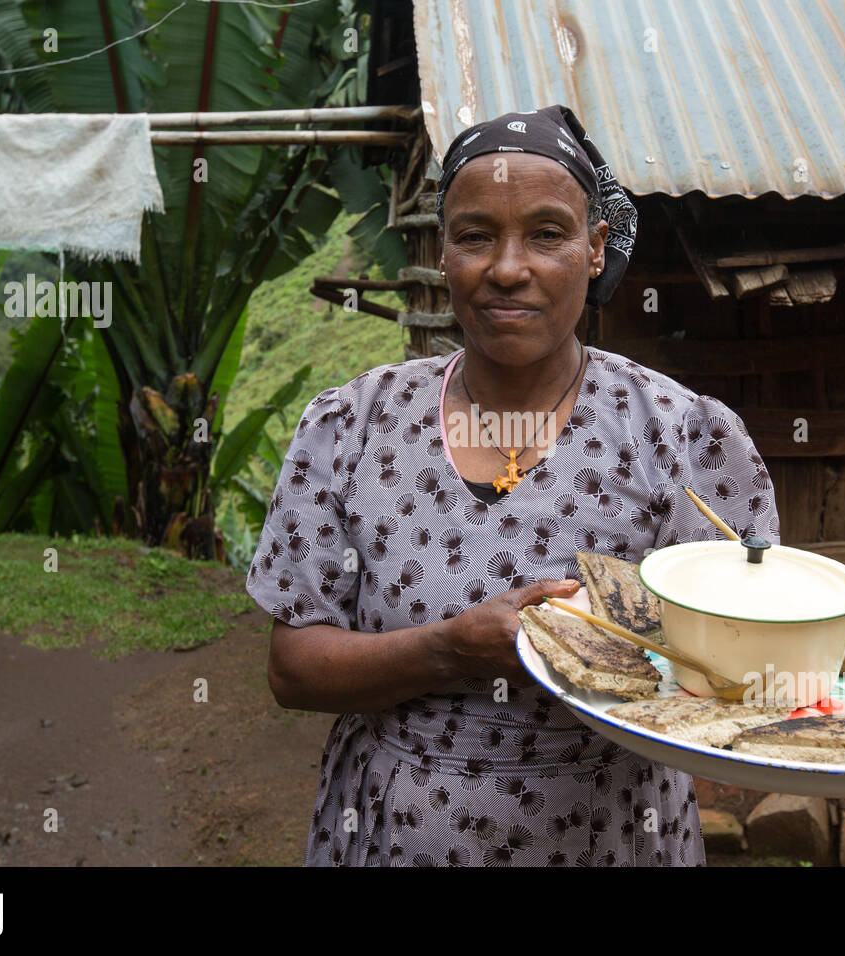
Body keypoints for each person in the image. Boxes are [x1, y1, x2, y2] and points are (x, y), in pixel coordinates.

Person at [246, 104, 780, 866]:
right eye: (475, 236)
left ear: (596, 249)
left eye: (547, 233)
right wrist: (449, 651)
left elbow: (750, 661)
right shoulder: (350, 425)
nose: (507, 267)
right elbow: (292, 669)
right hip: (398, 834)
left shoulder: (683, 437)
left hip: (612, 833)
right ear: (443, 251)